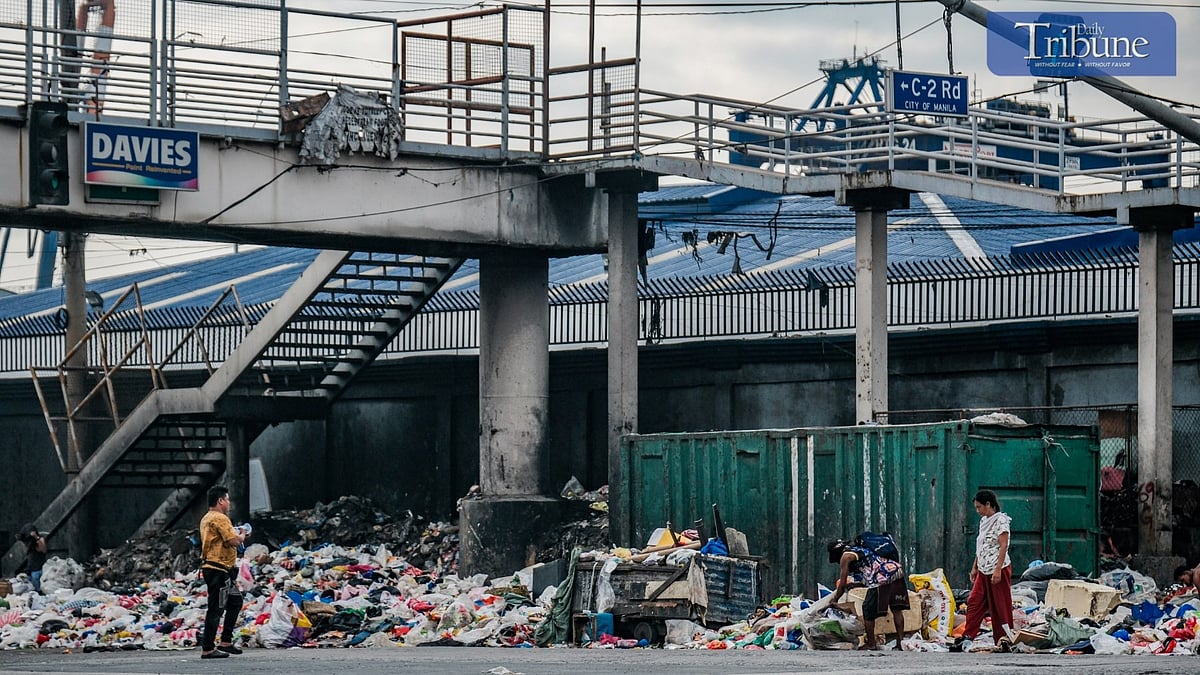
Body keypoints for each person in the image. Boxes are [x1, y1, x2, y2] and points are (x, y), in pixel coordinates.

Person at [828, 537, 908, 650]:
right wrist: (856, 585)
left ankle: (871, 643)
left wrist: (835, 599)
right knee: (896, 609)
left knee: (867, 609)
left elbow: (842, 584)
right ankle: (901, 642)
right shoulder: (860, 549)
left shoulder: (845, 557)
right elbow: (868, 574)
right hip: (896, 572)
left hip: (882, 578)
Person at [961, 489, 1015, 648]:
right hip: (983, 569)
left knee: (1000, 606)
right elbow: (982, 545)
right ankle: (968, 636)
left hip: (998, 568)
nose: (977, 511)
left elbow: (1004, 545)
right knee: (974, 601)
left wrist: (998, 570)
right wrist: (974, 567)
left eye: (979, 507)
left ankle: (1004, 638)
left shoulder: (1001, 521)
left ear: (988, 504)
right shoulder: (984, 521)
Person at [199, 485, 247, 659]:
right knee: (216, 608)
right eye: (227, 499)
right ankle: (208, 648)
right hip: (218, 570)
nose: (229, 503)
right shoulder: (220, 518)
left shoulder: (206, 518)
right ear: (220, 501)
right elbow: (234, 540)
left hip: (219, 570)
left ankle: (226, 641)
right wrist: (242, 534)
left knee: (235, 601)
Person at [17, 523, 47, 593]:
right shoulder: (28, 542)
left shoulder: (40, 539)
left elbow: (43, 550)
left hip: (38, 568)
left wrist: (36, 537)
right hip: (31, 568)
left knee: (38, 589)